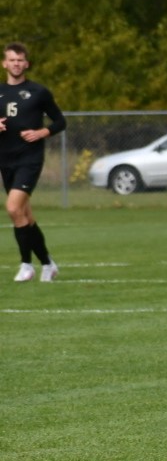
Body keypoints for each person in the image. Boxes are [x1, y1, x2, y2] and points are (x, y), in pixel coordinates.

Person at [0, 43, 67, 282]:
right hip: (5, 160)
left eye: (20, 60)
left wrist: (41, 133)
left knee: (12, 209)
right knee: (25, 216)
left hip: (30, 159)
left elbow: (60, 122)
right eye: (12, 60)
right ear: (4, 63)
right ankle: (48, 264)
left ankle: (26, 265)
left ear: (26, 64)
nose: (16, 64)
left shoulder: (38, 92)